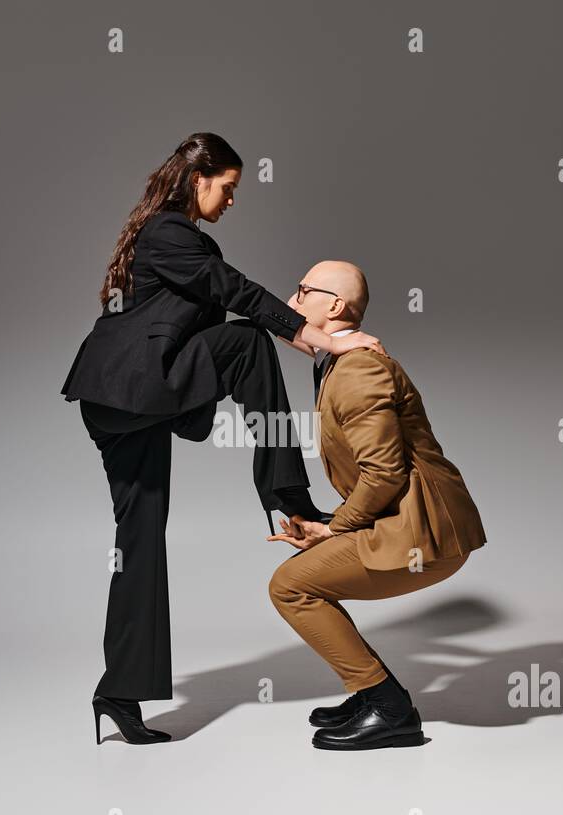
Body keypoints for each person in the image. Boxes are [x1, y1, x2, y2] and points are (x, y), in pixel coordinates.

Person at [60, 133, 385, 745]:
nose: (232, 200)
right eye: (228, 188)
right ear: (198, 177)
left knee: (140, 542)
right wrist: (325, 340)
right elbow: (234, 291)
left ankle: (119, 694)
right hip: (133, 392)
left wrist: (310, 340)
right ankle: (287, 495)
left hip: (123, 403)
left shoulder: (173, 239)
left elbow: (220, 300)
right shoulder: (166, 232)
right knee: (247, 344)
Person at [267, 260, 486, 750]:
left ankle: (389, 708)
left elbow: (384, 473)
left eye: (304, 290)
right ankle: (371, 694)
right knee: (304, 576)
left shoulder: (358, 368)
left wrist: (335, 529)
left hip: (422, 532)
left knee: (290, 586)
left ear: (336, 306)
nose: (294, 297)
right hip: (405, 521)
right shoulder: (337, 359)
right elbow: (283, 327)